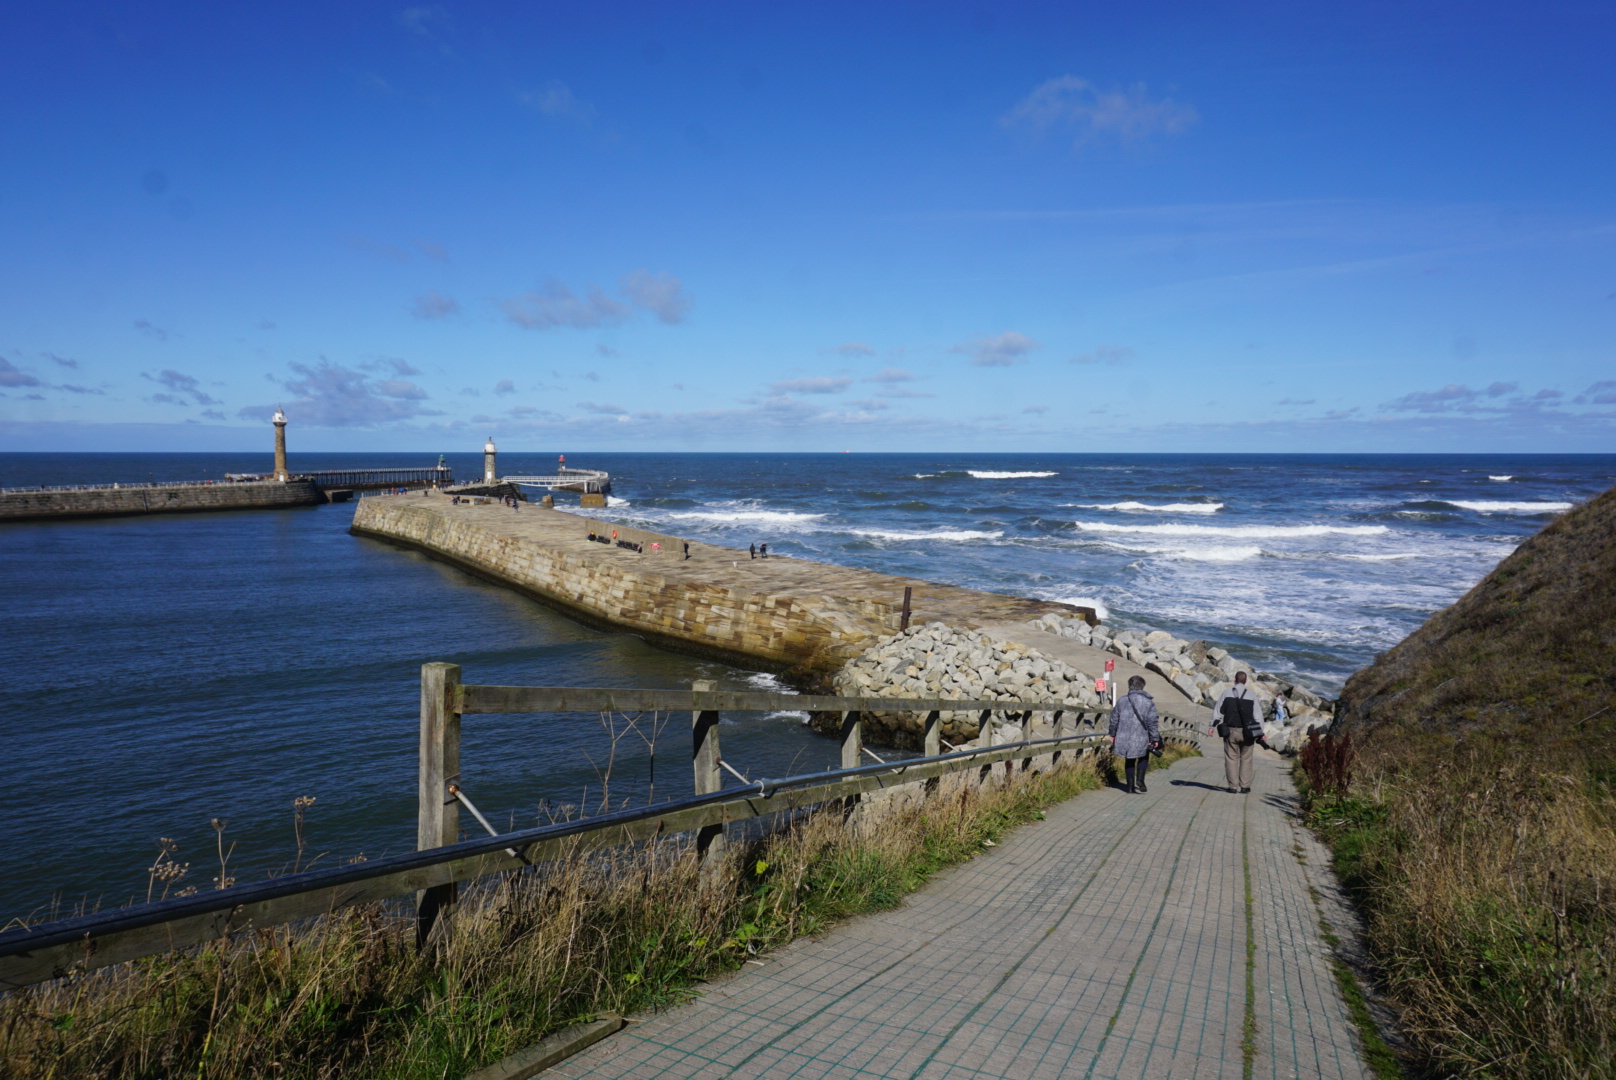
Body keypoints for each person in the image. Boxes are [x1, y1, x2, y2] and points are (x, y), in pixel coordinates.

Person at [1210, 672, 1270, 793]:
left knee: (1231, 758)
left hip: (1231, 731)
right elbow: (1258, 716)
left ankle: (1233, 787)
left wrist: (1212, 726)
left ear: (1234, 679)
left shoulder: (1226, 693)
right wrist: (1261, 733)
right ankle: (1245, 786)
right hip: (1248, 732)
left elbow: (1218, 712)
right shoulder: (1251, 695)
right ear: (1246, 680)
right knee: (1246, 759)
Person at [1108, 675, 1161, 794]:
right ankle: (1140, 779)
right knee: (1143, 756)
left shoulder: (1122, 700)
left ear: (1129, 686)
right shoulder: (1148, 702)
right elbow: (1152, 722)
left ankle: (1129, 787)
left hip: (1124, 736)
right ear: (1142, 686)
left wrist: (1112, 733)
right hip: (1141, 736)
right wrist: (1155, 738)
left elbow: (1114, 719)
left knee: (1129, 759)